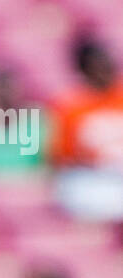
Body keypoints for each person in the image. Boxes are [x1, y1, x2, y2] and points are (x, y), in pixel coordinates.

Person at [51, 36, 123, 220]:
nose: (105, 69)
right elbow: (64, 158)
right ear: (85, 69)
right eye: (98, 65)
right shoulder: (71, 107)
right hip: (93, 178)